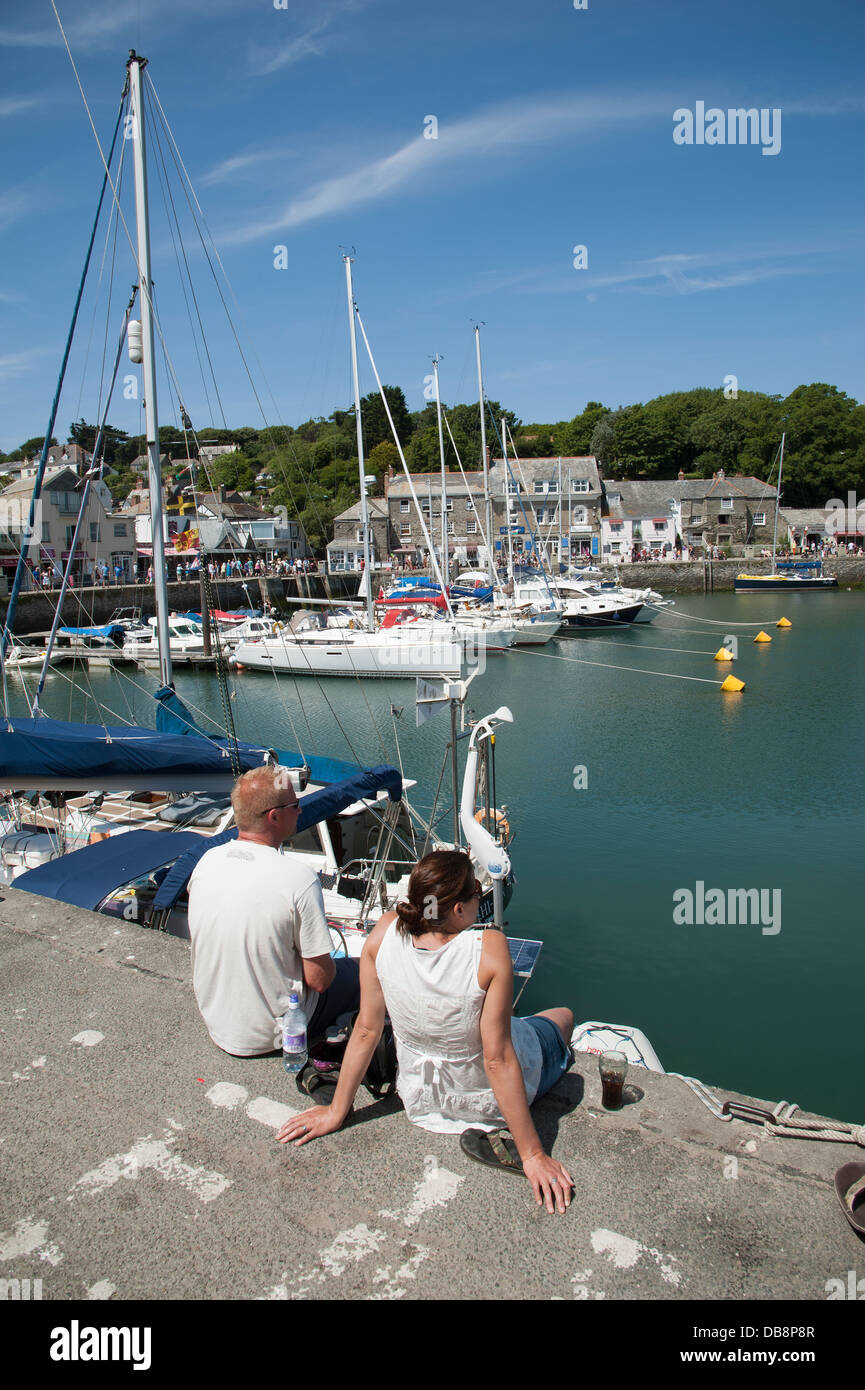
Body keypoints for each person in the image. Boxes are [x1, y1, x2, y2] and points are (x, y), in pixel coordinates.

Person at [277, 850, 575, 1215]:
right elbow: (497, 1060)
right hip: (481, 1098)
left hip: (420, 1098)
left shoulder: (383, 933)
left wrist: (337, 1111)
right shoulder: (489, 948)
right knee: (562, 1017)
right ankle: (562, 1049)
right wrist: (532, 1154)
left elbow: (368, 1030)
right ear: (458, 910)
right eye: (474, 895)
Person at [188, 765, 360, 1057]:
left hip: (218, 1023)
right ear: (275, 816)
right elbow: (320, 981)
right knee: (364, 969)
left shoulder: (206, 861)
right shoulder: (298, 879)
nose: (301, 811)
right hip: (272, 1035)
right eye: (296, 805)